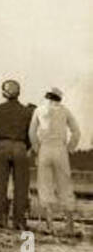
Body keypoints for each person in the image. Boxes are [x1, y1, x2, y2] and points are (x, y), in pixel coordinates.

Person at [29, 87, 81, 237]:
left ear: (47, 97)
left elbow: (32, 133)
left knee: (45, 186)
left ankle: (49, 225)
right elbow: (76, 132)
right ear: (59, 98)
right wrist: (69, 148)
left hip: (45, 149)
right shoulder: (65, 111)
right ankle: (69, 226)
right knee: (65, 185)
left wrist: (37, 149)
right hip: (60, 149)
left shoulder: (39, 110)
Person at [0, 79, 34, 229]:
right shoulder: (27, 112)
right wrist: (24, 145)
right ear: (18, 93)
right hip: (20, 148)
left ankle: (0, 220)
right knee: (21, 187)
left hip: (3, 146)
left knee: (0, 185)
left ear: (4, 93)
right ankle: (19, 221)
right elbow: (31, 133)